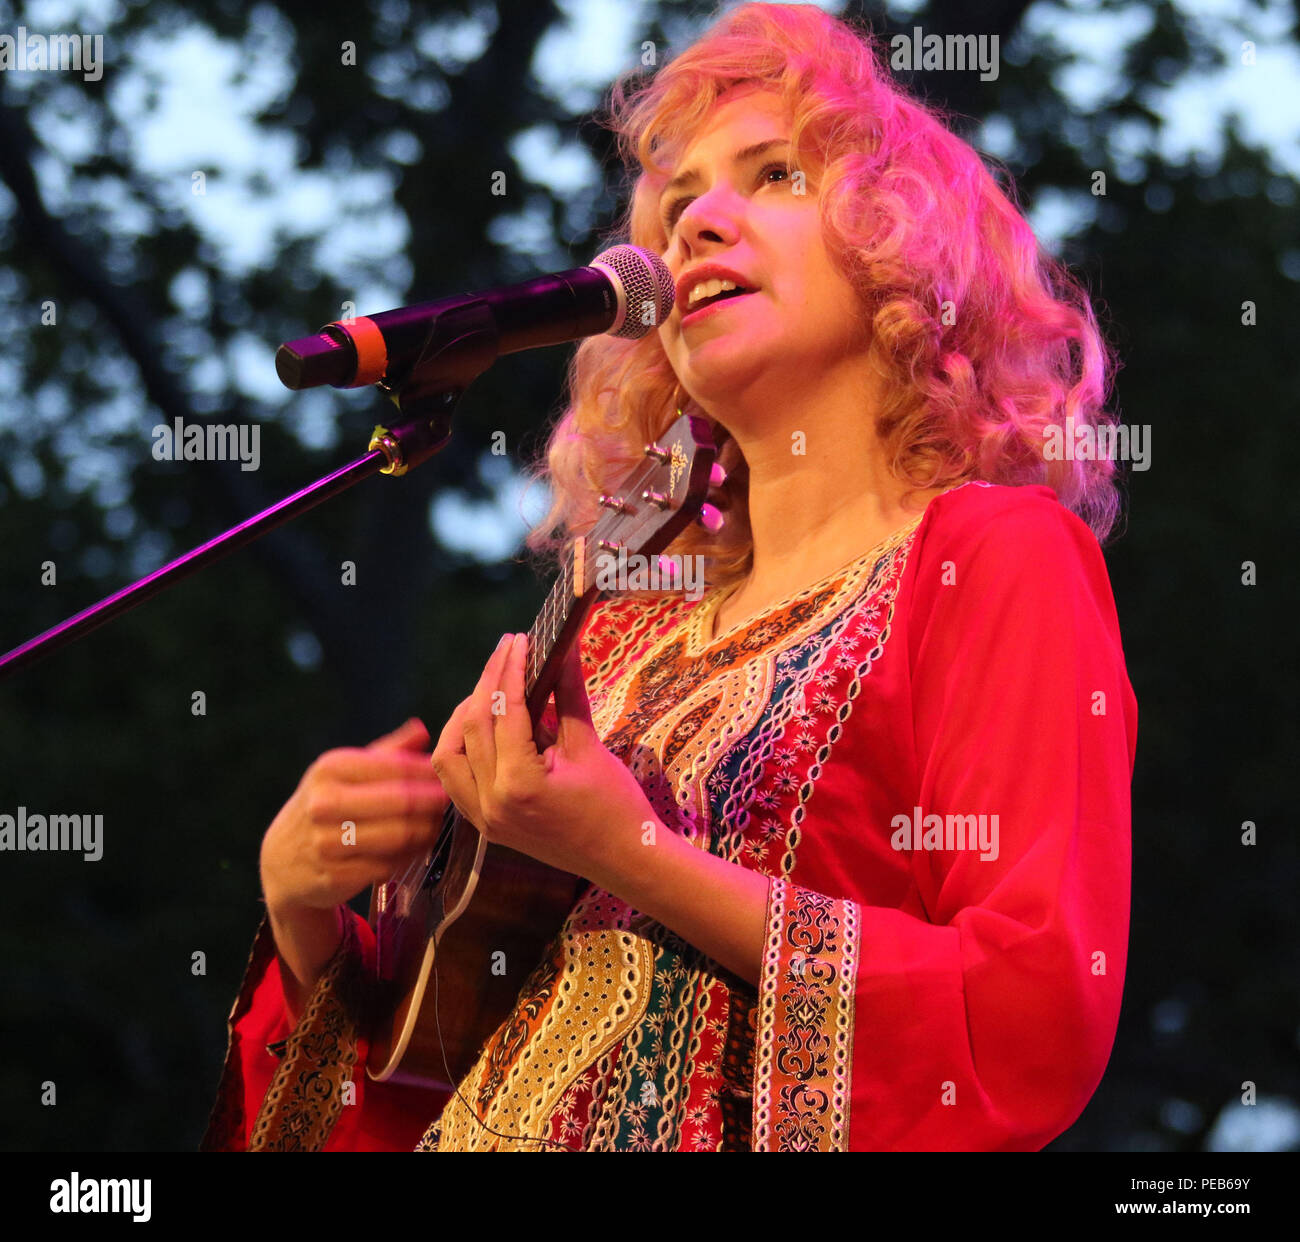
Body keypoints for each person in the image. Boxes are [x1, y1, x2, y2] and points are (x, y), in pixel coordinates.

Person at [203, 2, 1136, 1152]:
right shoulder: (622, 627)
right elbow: (429, 1066)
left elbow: (1030, 1008)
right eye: (679, 198)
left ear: (902, 250)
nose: (698, 223)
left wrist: (628, 850)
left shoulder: (990, 557)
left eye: (775, 175)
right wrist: (306, 915)